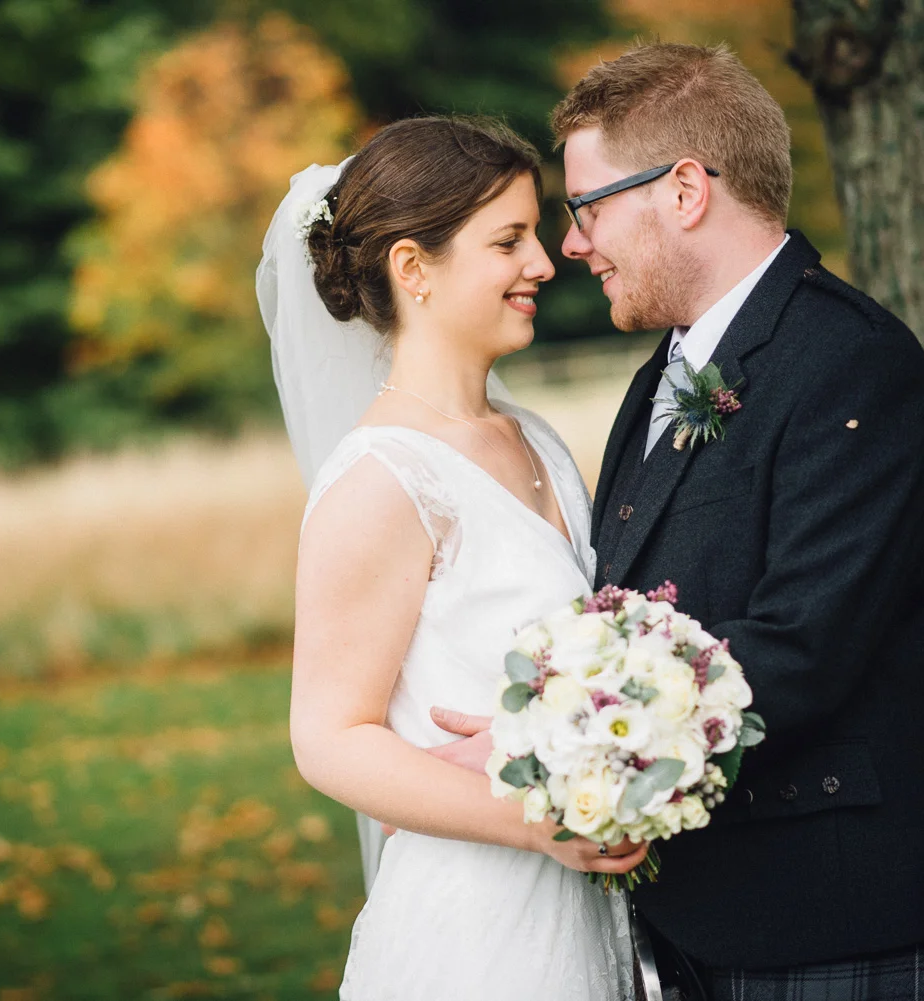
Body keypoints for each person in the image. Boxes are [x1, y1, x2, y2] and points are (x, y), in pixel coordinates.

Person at [428, 41, 924, 1000]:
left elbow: (803, 646)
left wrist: (553, 740)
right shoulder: (662, 376)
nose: (573, 244)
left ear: (685, 189)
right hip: (694, 925)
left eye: (590, 206)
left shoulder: (850, 362)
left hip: (828, 922)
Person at [261, 116, 639, 999]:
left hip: (587, 906)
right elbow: (328, 738)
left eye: (535, 233)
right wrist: (535, 821)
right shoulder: (381, 476)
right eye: (508, 240)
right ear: (413, 268)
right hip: (477, 935)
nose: (544, 262)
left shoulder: (537, 441)